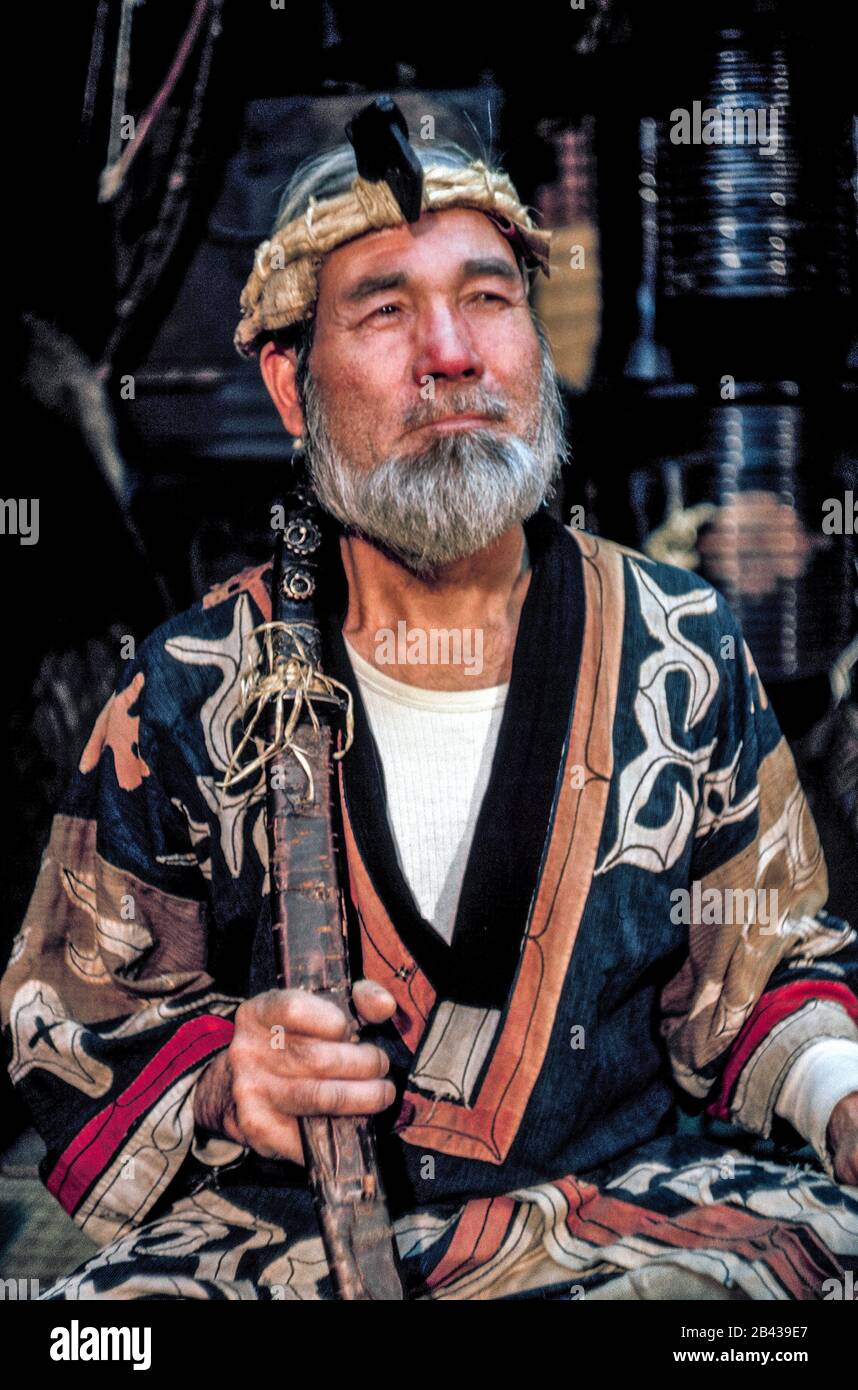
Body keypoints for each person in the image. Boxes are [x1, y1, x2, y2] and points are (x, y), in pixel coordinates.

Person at [2, 119, 857, 1302]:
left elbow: (759, 977)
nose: (451, 353)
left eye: (490, 297)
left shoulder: (682, 641)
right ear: (291, 385)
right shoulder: (192, 679)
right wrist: (223, 1073)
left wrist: (842, 1093)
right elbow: (70, 1020)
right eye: (386, 310)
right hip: (284, 1246)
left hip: (615, 1223)